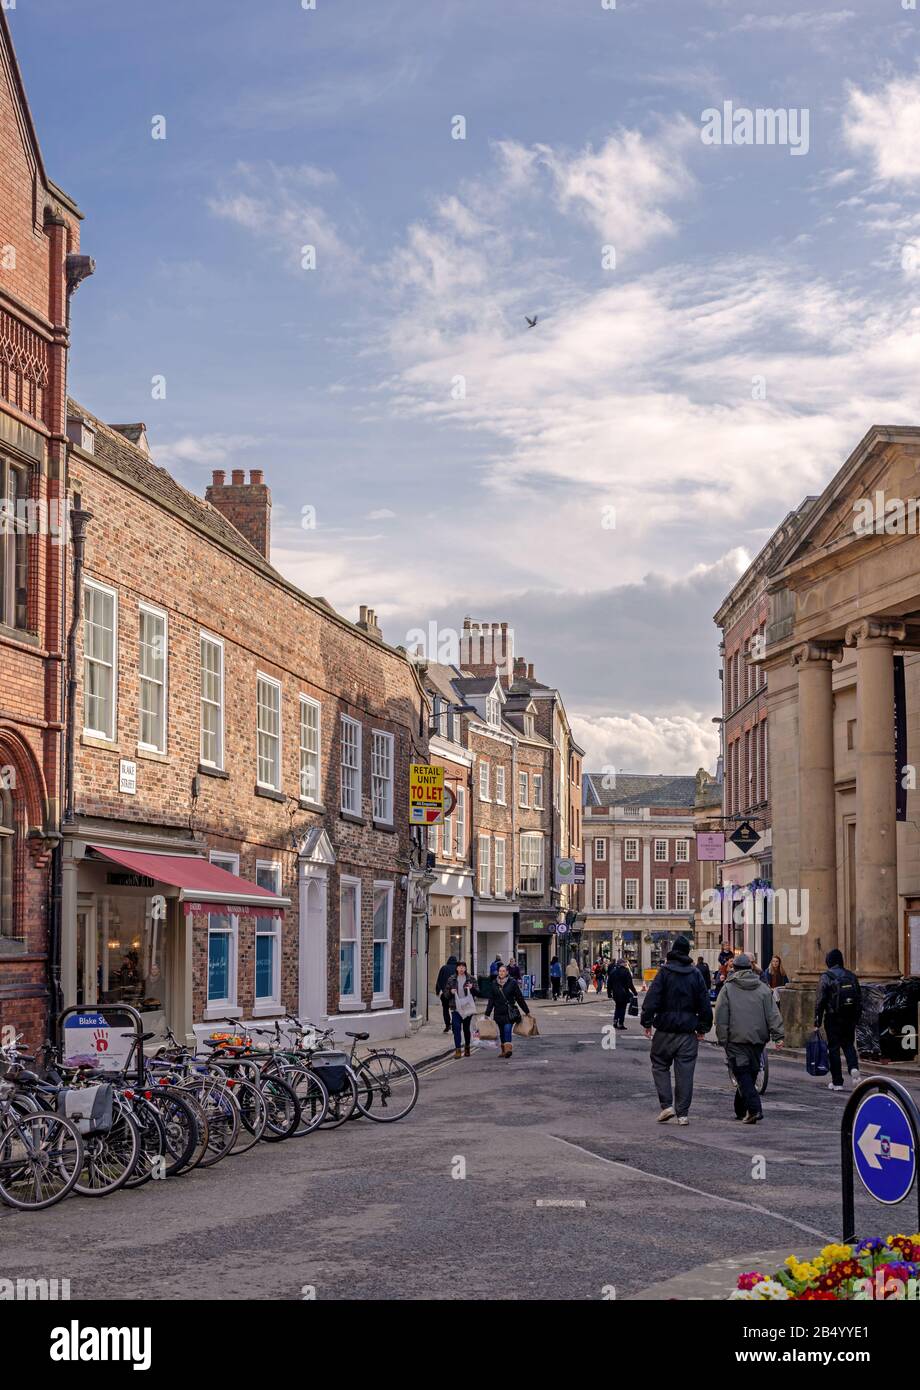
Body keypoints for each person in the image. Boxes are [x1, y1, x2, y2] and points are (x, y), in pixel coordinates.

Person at [640, 935, 712, 1126]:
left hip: (664, 1030)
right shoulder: (695, 974)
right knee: (685, 1072)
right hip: (688, 1032)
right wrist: (703, 1027)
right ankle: (683, 1114)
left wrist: (647, 1022)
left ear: (673, 951)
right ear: (688, 953)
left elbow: (652, 999)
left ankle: (666, 1105)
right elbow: (704, 1003)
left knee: (660, 1065)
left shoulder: (664, 973)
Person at [715, 952, 784, 1123]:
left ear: (735, 968)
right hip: (758, 1039)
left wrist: (722, 1039)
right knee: (749, 1075)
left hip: (736, 1039)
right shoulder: (763, 989)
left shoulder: (728, 988)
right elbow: (773, 1014)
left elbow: (721, 1016)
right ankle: (740, 1110)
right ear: (751, 968)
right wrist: (778, 1036)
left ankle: (754, 1109)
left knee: (742, 1075)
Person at [815, 948, 862, 1091]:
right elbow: (859, 998)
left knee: (834, 1048)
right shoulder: (851, 976)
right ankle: (854, 1069)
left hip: (833, 1017)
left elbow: (820, 1000)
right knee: (848, 1044)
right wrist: (856, 1017)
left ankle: (837, 1082)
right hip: (849, 1017)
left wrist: (817, 1020)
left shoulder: (826, 976)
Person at [485, 963, 530, 1058]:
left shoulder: (512, 982)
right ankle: (503, 1050)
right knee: (502, 1032)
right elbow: (491, 1000)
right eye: (500, 971)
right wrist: (487, 1013)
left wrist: (526, 1011)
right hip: (498, 1012)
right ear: (498, 972)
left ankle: (508, 1049)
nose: (501, 973)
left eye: (503, 971)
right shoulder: (494, 983)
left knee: (507, 1029)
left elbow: (519, 998)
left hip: (509, 1012)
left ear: (507, 972)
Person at [443, 960, 478, 1058]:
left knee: (466, 1029)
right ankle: (458, 1050)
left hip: (467, 1008)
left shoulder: (471, 979)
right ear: (457, 968)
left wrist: (472, 988)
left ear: (466, 968)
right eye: (460, 967)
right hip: (455, 1008)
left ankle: (467, 1047)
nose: (461, 969)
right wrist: (451, 992)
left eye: (463, 967)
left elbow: (478, 992)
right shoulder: (451, 979)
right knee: (456, 1028)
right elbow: (446, 994)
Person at [608, 958, 637, 1029]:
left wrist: (609, 993)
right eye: (624, 963)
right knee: (623, 1008)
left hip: (615, 993)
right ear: (622, 963)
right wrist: (634, 992)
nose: (625, 964)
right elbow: (630, 983)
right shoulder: (626, 971)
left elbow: (609, 983)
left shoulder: (613, 971)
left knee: (617, 1007)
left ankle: (615, 1020)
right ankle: (621, 1023)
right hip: (624, 992)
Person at [435, 954, 458, 1033]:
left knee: (445, 1009)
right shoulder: (457, 969)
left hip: (445, 994)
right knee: (455, 1010)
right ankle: (455, 1026)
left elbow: (439, 980)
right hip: (455, 994)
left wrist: (438, 991)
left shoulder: (443, 968)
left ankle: (447, 1025)